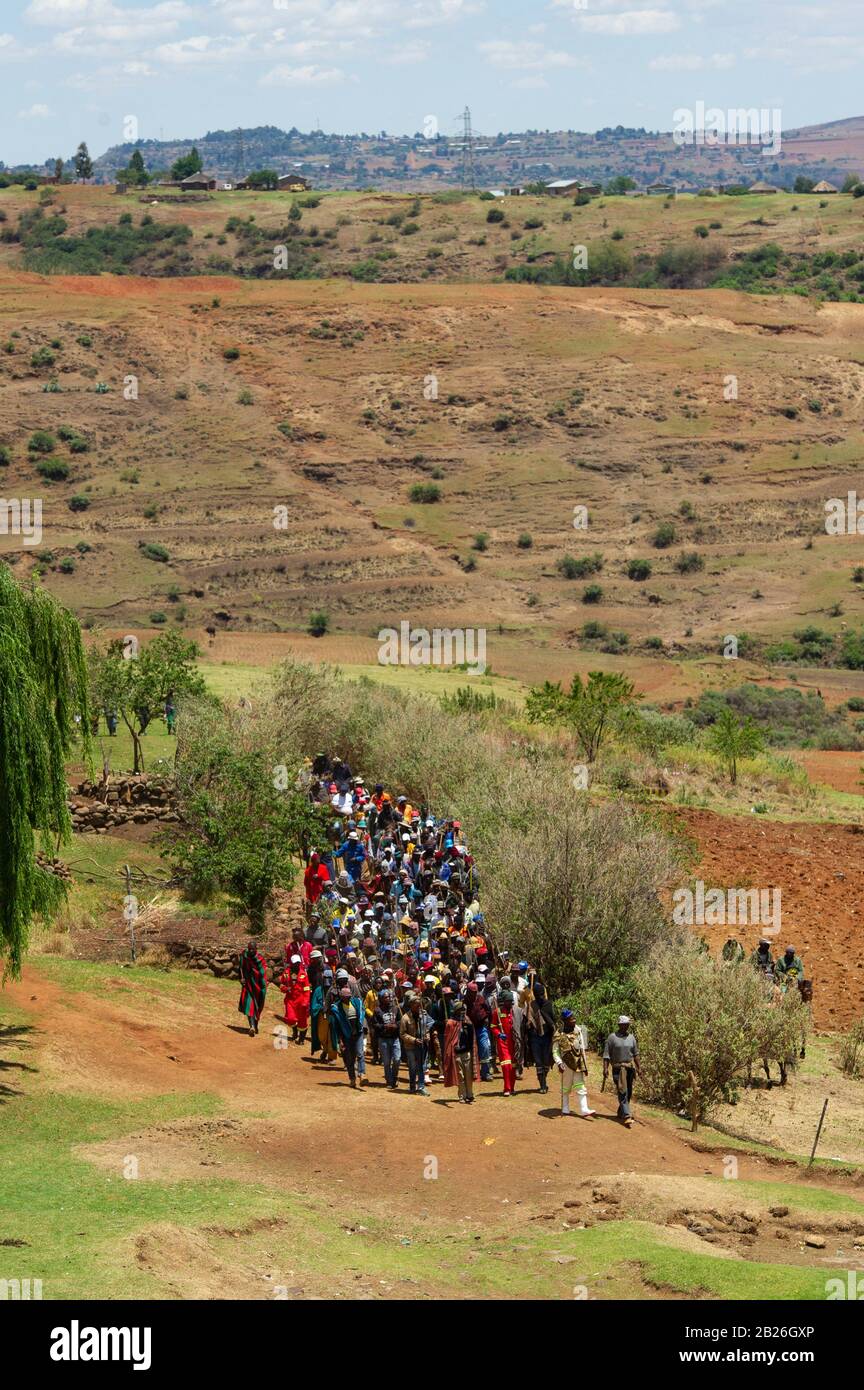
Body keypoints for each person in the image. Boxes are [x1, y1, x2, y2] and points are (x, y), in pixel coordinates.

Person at [553, 1010, 595, 1119]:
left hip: (578, 1063)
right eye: (571, 1019)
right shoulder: (558, 1034)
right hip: (565, 1064)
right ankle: (565, 1108)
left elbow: (582, 1049)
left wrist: (585, 1066)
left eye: (574, 1018)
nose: (574, 1020)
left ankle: (584, 1109)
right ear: (565, 1021)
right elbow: (555, 1051)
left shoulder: (579, 1030)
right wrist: (559, 1063)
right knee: (566, 1087)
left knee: (580, 1086)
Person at [602, 1016, 640, 1128]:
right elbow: (606, 1055)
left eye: (628, 1024)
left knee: (629, 1093)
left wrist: (639, 1068)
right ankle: (627, 1116)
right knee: (622, 1092)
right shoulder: (612, 1038)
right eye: (624, 1024)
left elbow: (636, 1054)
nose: (627, 1026)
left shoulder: (632, 1038)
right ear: (619, 1025)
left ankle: (621, 1111)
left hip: (629, 1069)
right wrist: (605, 1069)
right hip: (618, 1069)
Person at [443, 999, 478, 1103]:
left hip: (466, 1052)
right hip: (456, 1054)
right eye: (460, 1010)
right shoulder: (451, 1023)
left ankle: (469, 1094)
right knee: (460, 1075)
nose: (462, 1012)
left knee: (468, 1075)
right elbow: (448, 1040)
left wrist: (468, 1025)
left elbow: (471, 1038)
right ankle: (462, 1096)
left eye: (464, 1010)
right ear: (456, 1011)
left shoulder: (468, 1022)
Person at [330, 986, 365, 1089]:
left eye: (349, 996)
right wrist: (340, 1041)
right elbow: (336, 1027)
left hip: (358, 1033)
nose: (348, 998)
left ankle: (362, 1074)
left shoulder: (356, 1003)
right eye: (345, 997)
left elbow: (362, 1014)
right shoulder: (336, 1008)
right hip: (346, 1036)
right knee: (350, 1058)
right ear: (341, 997)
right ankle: (352, 1079)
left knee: (360, 1053)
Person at [526, 981, 555, 1093]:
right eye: (538, 995)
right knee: (539, 1061)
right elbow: (528, 1020)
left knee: (546, 1061)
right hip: (535, 1037)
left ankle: (544, 1080)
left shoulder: (548, 1004)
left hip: (547, 1037)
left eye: (541, 995)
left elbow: (552, 1020)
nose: (540, 997)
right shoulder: (532, 1005)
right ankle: (542, 1085)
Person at [399, 994, 430, 1095]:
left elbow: (428, 1027)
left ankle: (421, 1086)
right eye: (417, 1006)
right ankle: (412, 1086)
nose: (419, 1007)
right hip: (411, 1047)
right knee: (412, 1067)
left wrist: (427, 1036)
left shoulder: (424, 1015)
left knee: (421, 1066)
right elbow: (402, 1034)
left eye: (420, 1005)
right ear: (411, 1005)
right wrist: (414, 1040)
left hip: (422, 1046)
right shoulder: (405, 1018)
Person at [373, 989, 402, 1090]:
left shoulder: (396, 1008)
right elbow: (375, 1024)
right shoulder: (377, 1010)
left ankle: (394, 1077)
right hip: (383, 1039)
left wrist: (395, 1026)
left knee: (397, 1059)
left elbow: (400, 1021)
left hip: (395, 1038)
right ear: (381, 999)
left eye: (389, 997)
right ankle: (389, 1081)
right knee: (386, 1062)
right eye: (386, 997)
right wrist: (384, 1027)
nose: (388, 999)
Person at [238, 941, 268, 1037]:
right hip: (248, 984)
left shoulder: (260, 959)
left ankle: (255, 1025)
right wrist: (241, 978)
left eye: (253, 949)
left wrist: (263, 986)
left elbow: (262, 974)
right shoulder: (244, 955)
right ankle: (251, 1026)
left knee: (257, 1006)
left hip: (258, 986)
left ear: (256, 949)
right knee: (249, 1004)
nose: (251, 951)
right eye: (249, 949)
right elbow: (241, 967)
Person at [279, 955, 311, 1044]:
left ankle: (301, 1039)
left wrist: (305, 1001)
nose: (297, 965)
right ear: (291, 964)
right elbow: (281, 985)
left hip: (301, 1001)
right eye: (295, 963)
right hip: (290, 1000)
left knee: (302, 1020)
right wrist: (285, 989)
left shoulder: (303, 974)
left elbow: (307, 989)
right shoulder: (286, 973)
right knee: (291, 1018)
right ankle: (295, 1032)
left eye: (298, 963)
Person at [492, 992, 516, 1096]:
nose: (510, 1003)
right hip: (503, 1042)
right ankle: (507, 1088)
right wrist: (499, 1034)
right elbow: (493, 1026)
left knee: (513, 1066)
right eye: (508, 1001)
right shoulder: (497, 1012)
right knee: (506, 1065)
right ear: (504, 1001)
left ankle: (512, 1087)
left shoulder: (515, 1011)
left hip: (514, 1042)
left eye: (511, 1001)